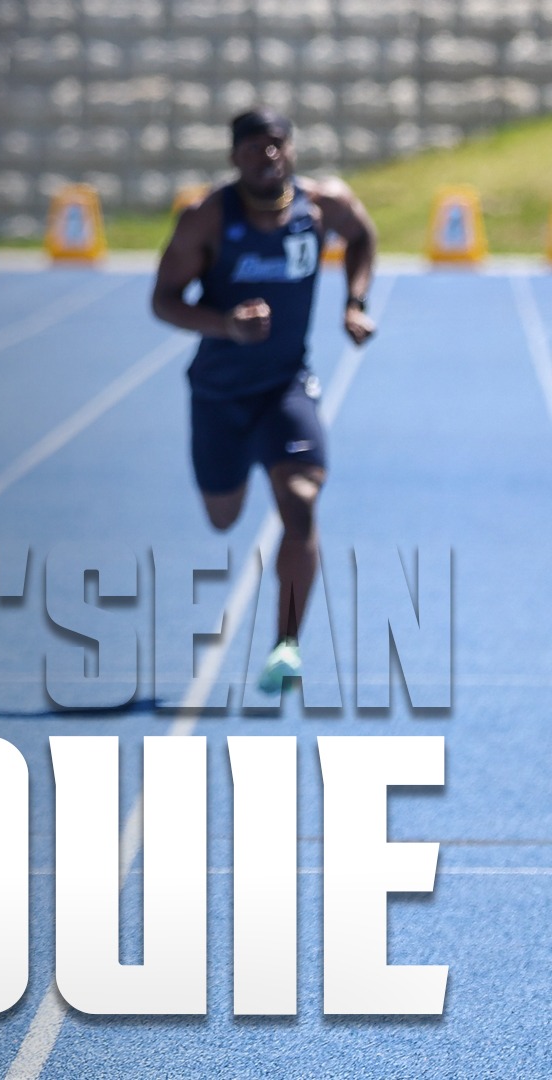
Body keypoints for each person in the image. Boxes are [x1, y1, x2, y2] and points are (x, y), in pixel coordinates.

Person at [152, 109, 377, 692]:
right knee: (223, 517)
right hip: (219, 394)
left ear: (291, 149)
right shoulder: (207, 217)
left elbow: (363, 237)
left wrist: (353, 302)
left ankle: (285, 648)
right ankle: (240, 471)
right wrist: (225, 324)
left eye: (276, 144)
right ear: (235, 158)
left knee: (300, 502)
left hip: (285, 386)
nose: (267, 156)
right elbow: (164, 300)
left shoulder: (324, 206)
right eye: (253, 148)